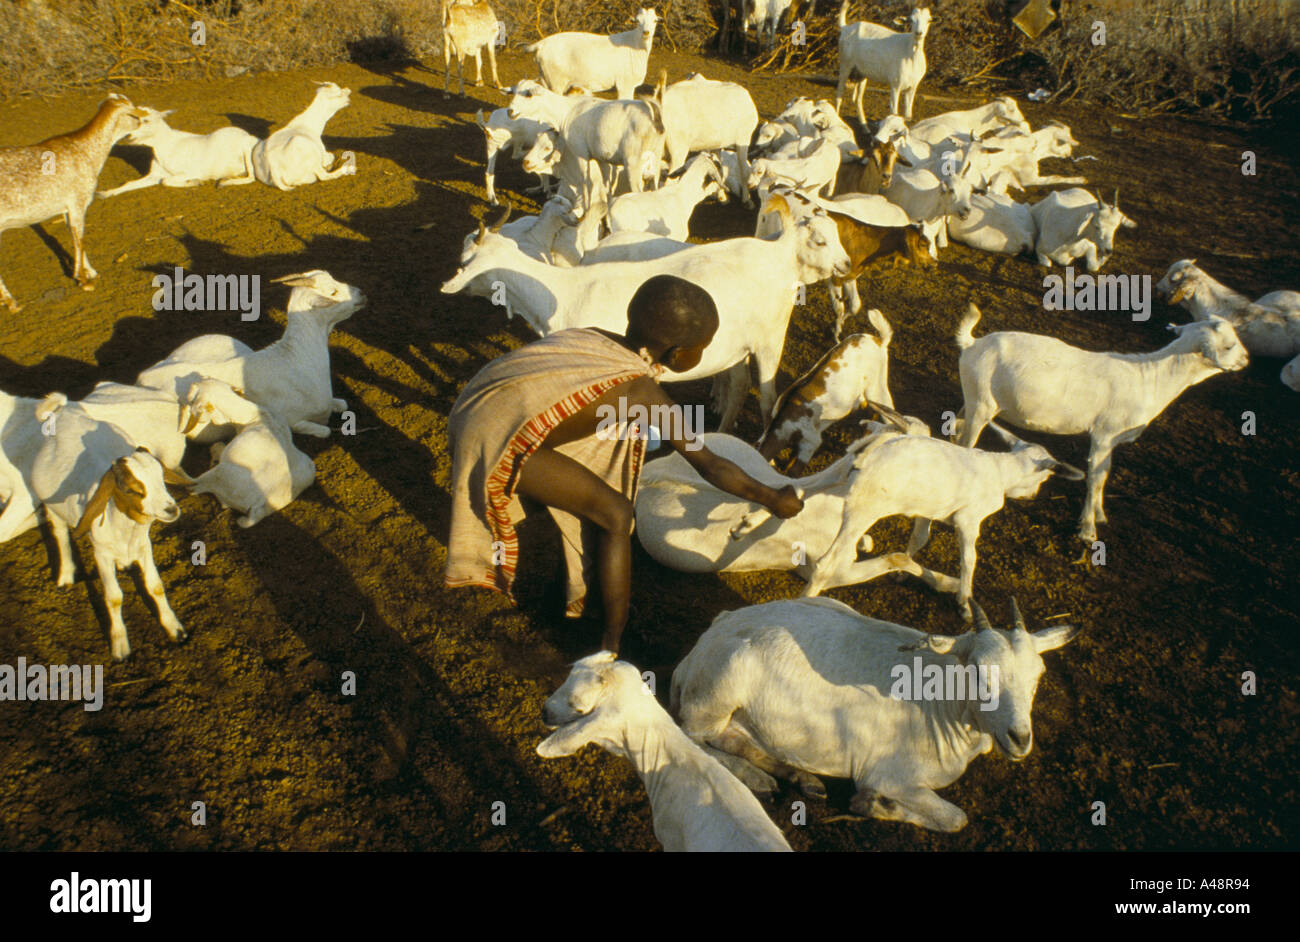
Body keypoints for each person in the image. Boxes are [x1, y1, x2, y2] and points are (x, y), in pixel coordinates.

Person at [445, 274, 803, 653]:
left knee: (593, 502)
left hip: (476, 409)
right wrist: (771, 497)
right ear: (678, 354)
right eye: (702, 348)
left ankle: (568, 600)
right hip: (497, 440)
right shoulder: (640, 391)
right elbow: (710, 464)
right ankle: (610, 640)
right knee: (616, 514)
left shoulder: (593, 337)